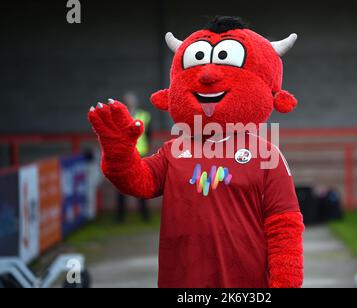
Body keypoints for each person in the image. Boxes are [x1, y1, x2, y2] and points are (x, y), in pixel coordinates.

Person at [89, 16, 304, 288]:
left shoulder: (267, 156)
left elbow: (284, 226)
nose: (208, 75)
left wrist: (285, 284)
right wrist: (119, 151)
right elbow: (137, 181)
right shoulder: (173, 151)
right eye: (199, 61)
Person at [116, 92, 152, 223]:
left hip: (140, 154)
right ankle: (119, 217)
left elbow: (149, 135)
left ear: (136, 102)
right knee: (122, 185)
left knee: (140, 183)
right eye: (127, 101)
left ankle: (145, 215)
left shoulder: (144, 116)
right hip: (125, 155)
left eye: (131, 101)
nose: (130, 103)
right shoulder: (120, 116)